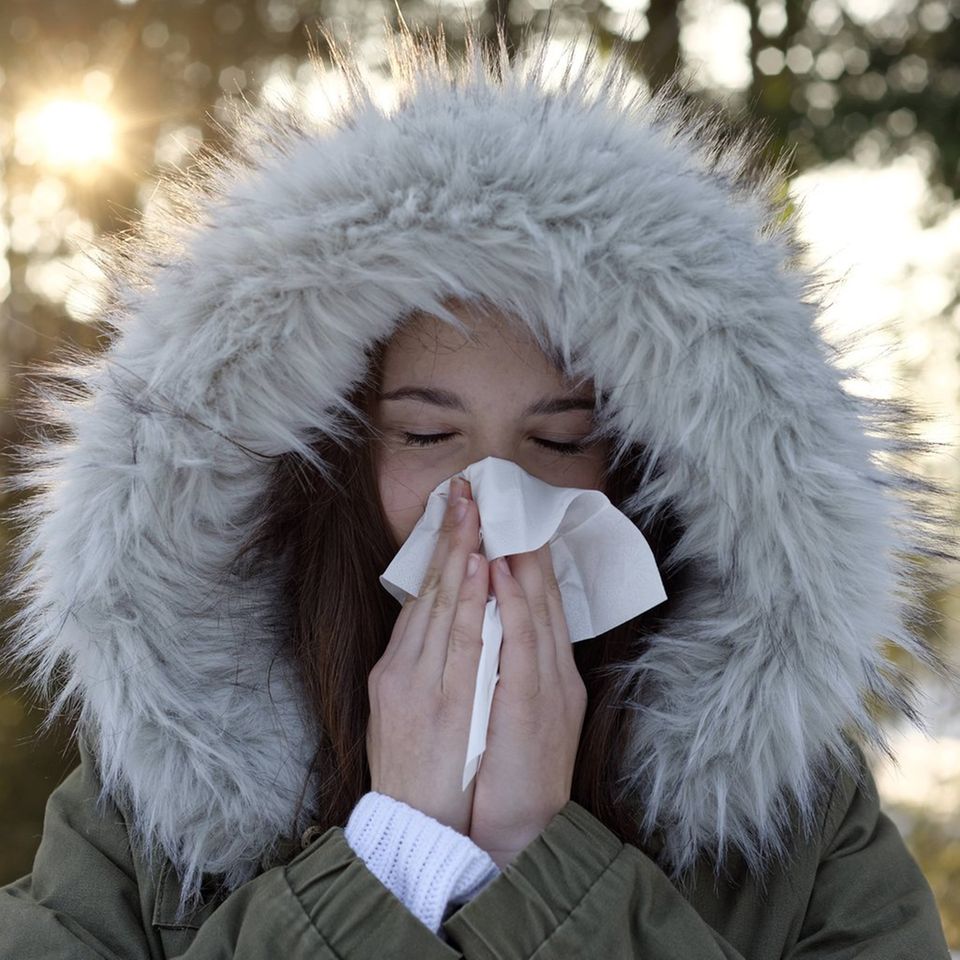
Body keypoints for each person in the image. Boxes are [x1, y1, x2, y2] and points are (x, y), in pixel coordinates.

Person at [0, 15, 955, 959]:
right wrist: (397, 856)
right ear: (334, 461)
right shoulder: (145, 810)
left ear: (639, 469)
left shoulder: (802, 821)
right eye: (427, 433)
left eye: (560, 438)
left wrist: (534, 858)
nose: (495, 495)